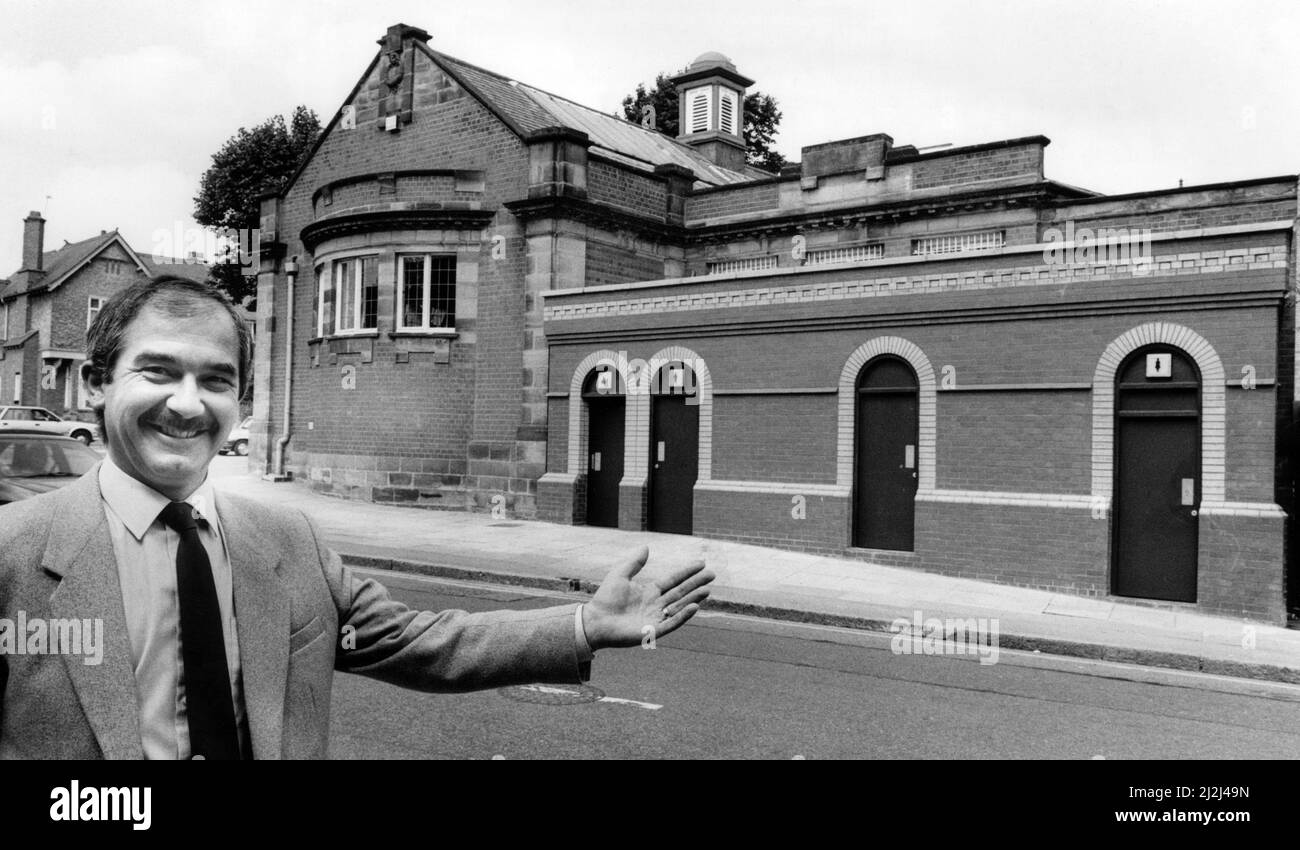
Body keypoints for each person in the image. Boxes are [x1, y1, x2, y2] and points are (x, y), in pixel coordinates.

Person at [0, 275, 713, 759]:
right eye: (158, 372)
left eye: (215, 381)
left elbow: (426, 644)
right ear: (97, 384)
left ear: (241, 405)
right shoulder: (13, 555)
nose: (188, 404)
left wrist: (585, 624)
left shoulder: (289, 543)